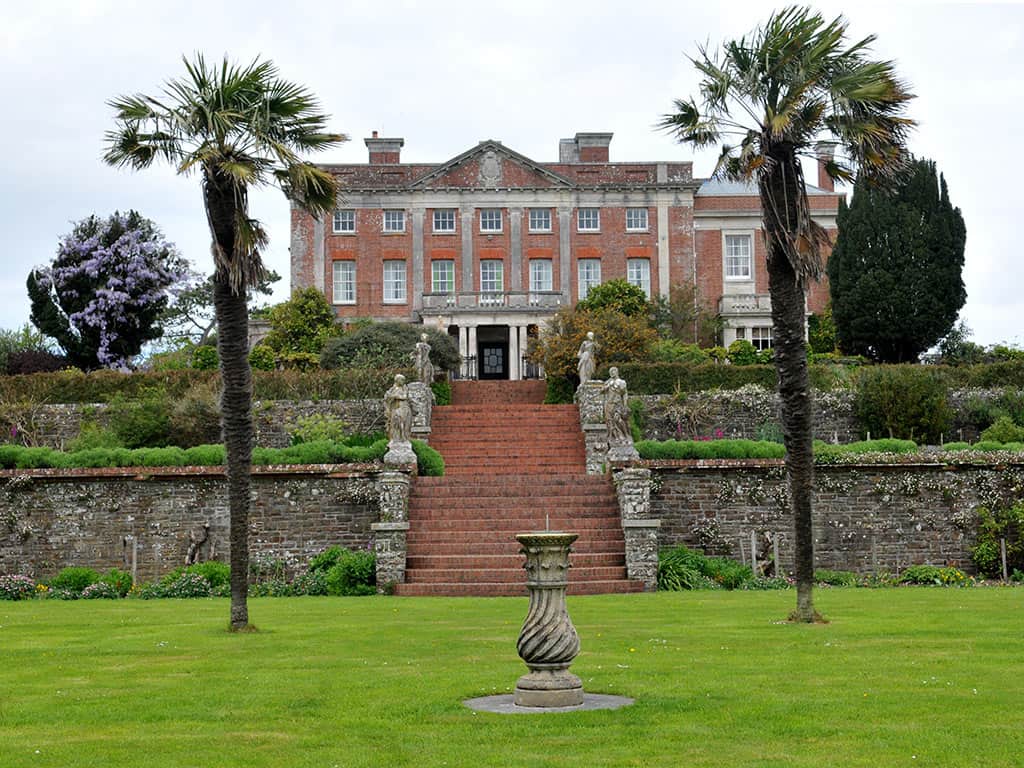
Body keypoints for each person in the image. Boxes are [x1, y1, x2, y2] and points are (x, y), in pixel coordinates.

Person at [603, 366, 631, 445]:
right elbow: (601, 391)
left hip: (617, 403)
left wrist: (625, 405)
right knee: (610, 422)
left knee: (618, 419)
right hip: (608, 404)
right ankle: (617, 437)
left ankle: (625, 434)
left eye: (613, 371)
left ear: (617, 372)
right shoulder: (608, 382)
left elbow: (625, 394)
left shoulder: (622, 382)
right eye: (610, 372)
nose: (612, 373)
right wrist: (608, 386)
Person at [384, 374, 412, 444]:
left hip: (405, 409)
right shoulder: (393, 389)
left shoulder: (405, 389)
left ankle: (404, 439)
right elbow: (387, 398)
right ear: (397, 380)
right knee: (396, 424)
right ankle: (395, 440)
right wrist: (393, 397)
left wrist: (397, 396)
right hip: (396, 408)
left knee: (405, 425)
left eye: (403, 380)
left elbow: (406, 397)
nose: (403, 381)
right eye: (402, 379)